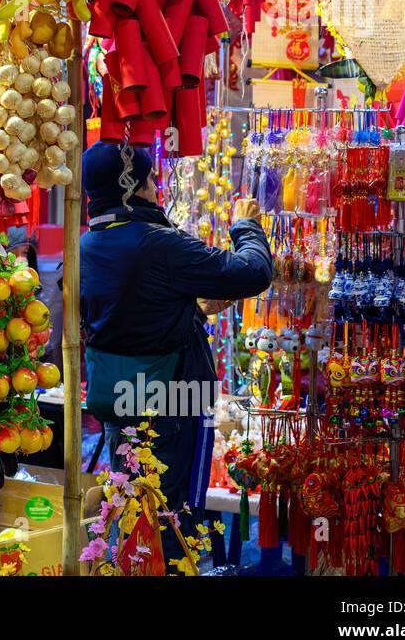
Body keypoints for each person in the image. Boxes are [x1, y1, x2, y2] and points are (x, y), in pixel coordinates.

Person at [78, 141, 272, 571]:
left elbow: (127, 317)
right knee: (173, 523)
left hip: (122, 403)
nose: (154, 187)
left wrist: (190, 310)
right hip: (174, 405)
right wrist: (246, 227)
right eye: (148, 179)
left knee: (134, 515)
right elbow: (253, 272)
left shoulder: (88, 247)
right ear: (132, 188)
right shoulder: (156, 244)